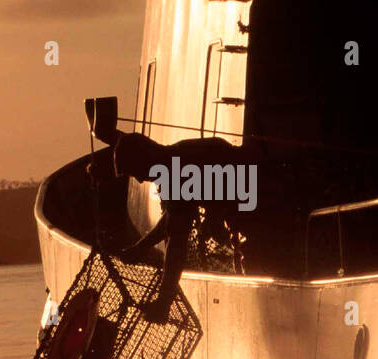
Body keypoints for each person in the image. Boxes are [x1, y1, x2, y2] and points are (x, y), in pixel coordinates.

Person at [88, 131, 260, 323]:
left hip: (259, 212)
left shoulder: (174, 177)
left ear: (145, 157)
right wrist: (140, 249)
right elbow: (172, 217)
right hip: (258, 184)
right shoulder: (179, 154)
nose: (139, 179)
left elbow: (177, 244)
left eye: (135, 171)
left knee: (259, 274)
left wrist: (164, 302)